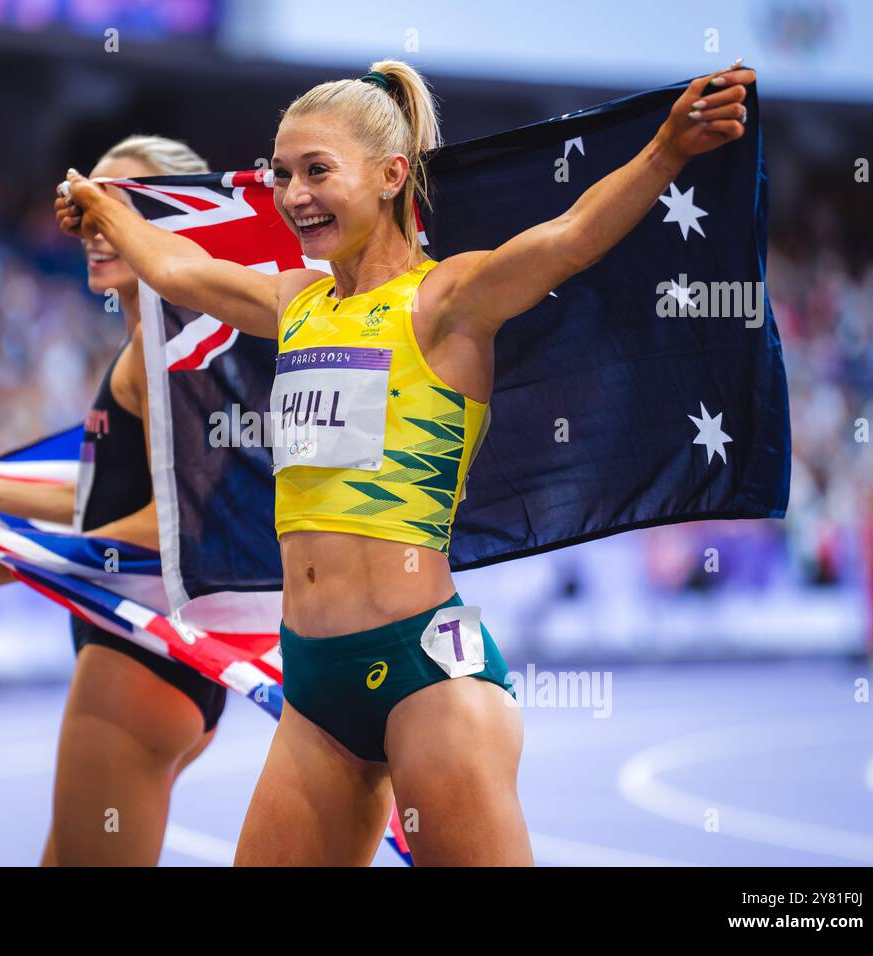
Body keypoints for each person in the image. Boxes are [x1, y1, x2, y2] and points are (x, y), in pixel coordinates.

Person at [55, 58, 756, 865]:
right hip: (314, 688)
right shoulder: (294, 304)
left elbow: (570, 239)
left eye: (318, 171)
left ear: (391, 176)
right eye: (282, 174)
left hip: (427, 674)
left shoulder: (449, 301)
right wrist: (104, 208)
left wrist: (667, 151)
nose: (293, 195)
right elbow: (178, 268)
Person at [0, 135, 228, 866]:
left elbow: (185, 523)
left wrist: (25, 559)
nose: (91, 225)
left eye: (117, 205)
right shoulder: (172, 336)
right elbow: (118, 495)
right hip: (166, 663)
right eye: (86, 206)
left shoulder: (164, 344)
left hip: (137, 664)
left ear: (179, 221)